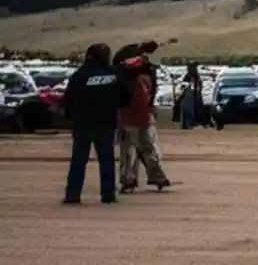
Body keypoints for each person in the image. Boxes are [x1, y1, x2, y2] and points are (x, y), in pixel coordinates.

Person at [61, 43, 131, 204]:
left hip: (83, 123)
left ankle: (73, 193)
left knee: (79, 159)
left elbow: (68, 99)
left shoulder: (81, 75)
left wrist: (70, 116)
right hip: (106, 123)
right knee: (106, 159)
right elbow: (126, 96)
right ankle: (108, 193)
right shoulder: (115, 75)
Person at [117, 47, 172, 192]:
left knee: (128, 150)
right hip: (143, 117)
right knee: (147, 147)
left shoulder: (123, 76)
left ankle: (128, 179)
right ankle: (157, 176)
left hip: (126, 116)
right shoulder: (147, 77)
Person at [179, 63, 202, 129]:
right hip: (189, 97)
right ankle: (189, 124)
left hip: (192, 97)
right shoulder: (190, 77)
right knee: (189, 110)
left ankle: (190, 123)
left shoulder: (193, 77)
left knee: (192, 110)